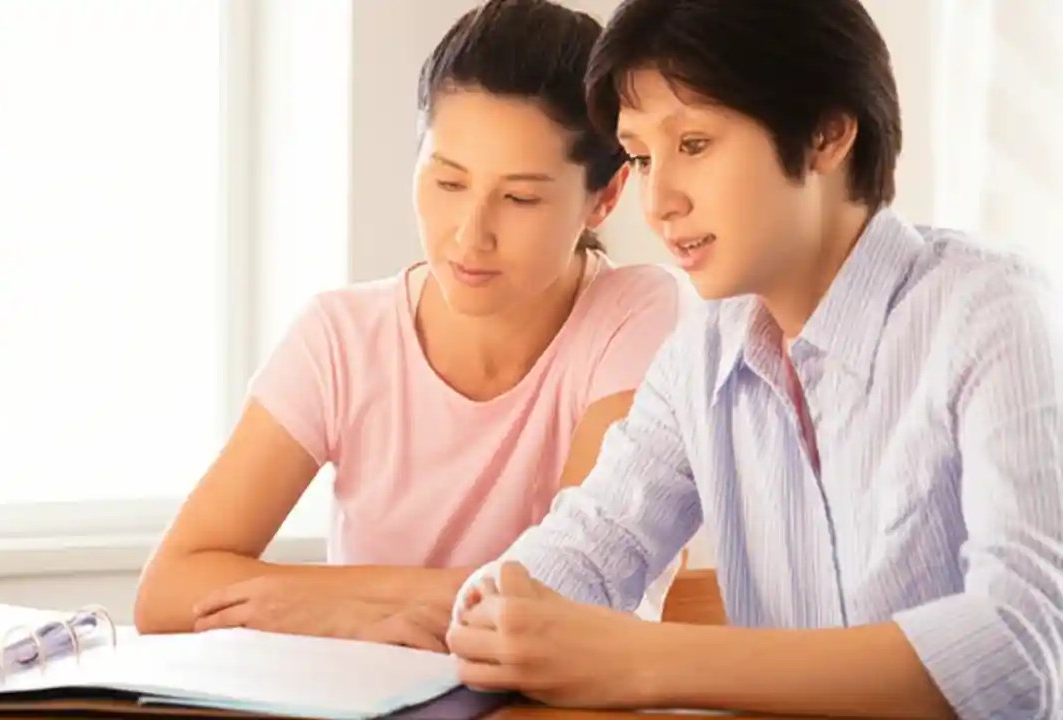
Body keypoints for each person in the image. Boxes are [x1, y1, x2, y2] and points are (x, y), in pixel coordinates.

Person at [447, 0, 1063, 717]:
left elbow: (1020, 650)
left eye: (695, 144)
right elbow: (584, 551)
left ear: (826, 134)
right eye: (641, 158)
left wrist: (646, 661)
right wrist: (499, 611)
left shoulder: (992, 312)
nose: (659, 202)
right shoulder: (700, 355)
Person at [134, 0, 683, 651]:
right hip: (369, 692)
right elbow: (168, 590)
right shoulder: (340, 337)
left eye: (519, 198)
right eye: (448, 183)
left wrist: (310, 596)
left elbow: (567, 599)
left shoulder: (635, 315)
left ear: (606, 196)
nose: (470, 236)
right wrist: (348, 613)